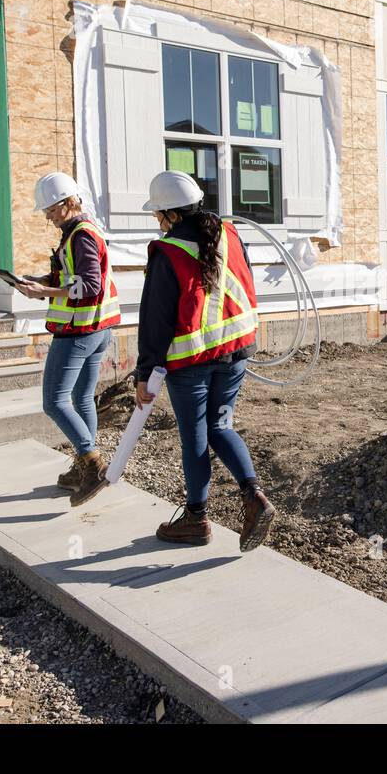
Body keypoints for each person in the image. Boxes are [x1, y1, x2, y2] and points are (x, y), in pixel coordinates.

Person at [134, 170, 274, 552]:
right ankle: (254, 495)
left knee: (195, 438)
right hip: (235, 355)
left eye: (158, 214)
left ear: (172, 215)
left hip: (191, 364)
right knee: (222, 426)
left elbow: (156, 318)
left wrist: (144, 373)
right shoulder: (228, 233)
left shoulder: (168, 252)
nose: (157, 222)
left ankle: (196, 519)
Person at [18, 172, 120, 507]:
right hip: (96, 329)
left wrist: (45, 291)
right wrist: (41, 281)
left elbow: (90, 286)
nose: (46, 215)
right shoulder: (80, 231)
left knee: (55, 402)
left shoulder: (81, 235)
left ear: (66, 203)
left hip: (79, 331)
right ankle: (82, 465)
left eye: (49, 208)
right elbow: (73, 276)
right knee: (82, 399)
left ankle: (92, 464)